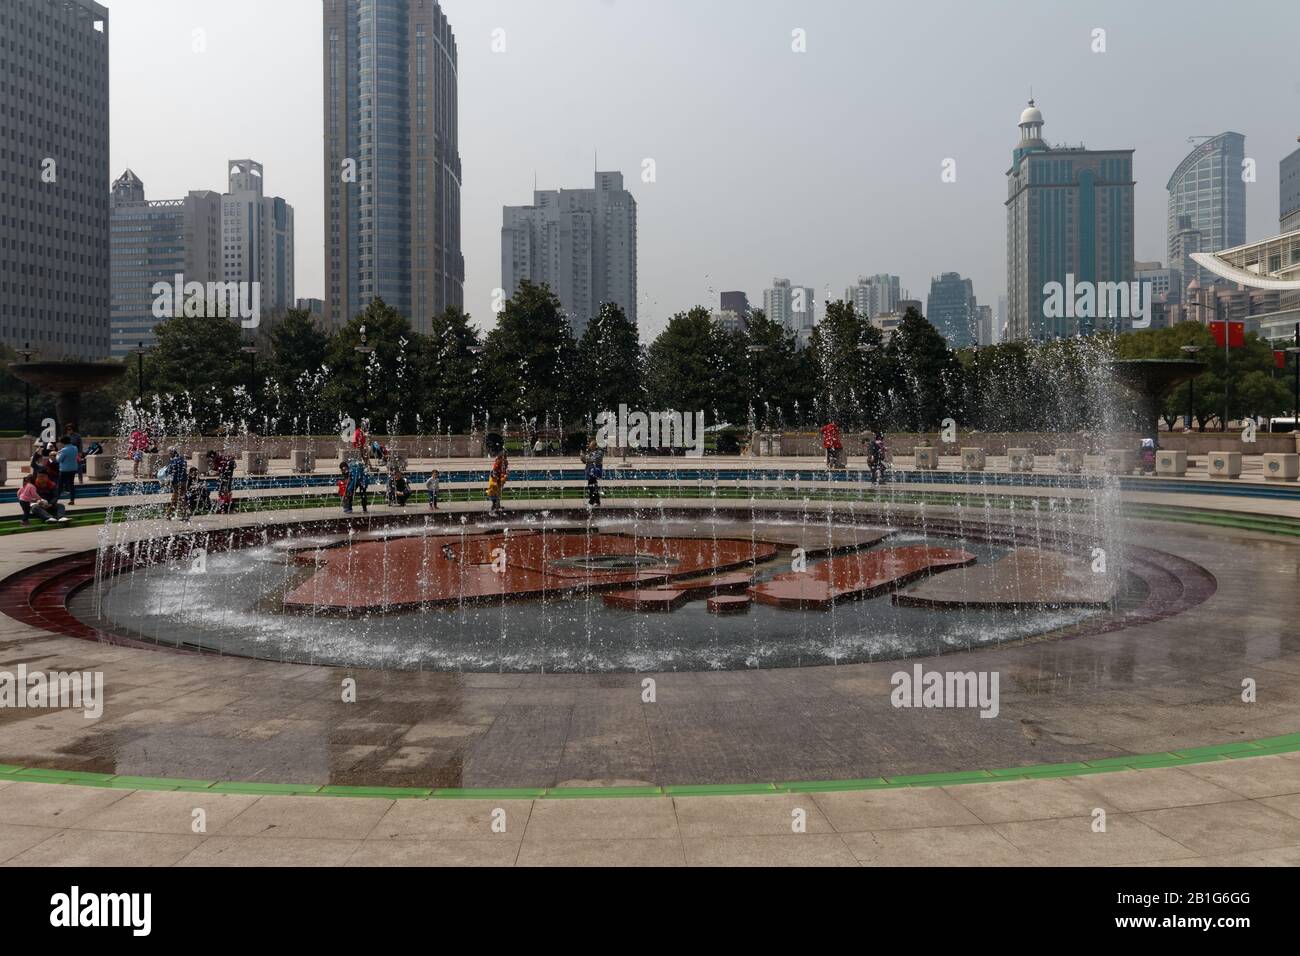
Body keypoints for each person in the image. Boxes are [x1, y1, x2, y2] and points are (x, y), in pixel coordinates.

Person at [55, 437, 80, 505]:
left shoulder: (64, 450)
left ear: (63, 443)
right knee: (71, 484)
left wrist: (57, 454)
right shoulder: (75, 448)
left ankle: (55, 500)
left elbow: (59, 460)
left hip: (64, 469)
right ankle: (72, 500)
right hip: (73, 468)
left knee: (60, 485)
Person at [580, 439, 605, 506]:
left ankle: (591, 501)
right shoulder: (591, 452)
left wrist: (587, 458)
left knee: (592, 486)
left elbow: (595, 459)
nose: (590, 448)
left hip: (595, 471)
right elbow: (584, 461)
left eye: (591, 446)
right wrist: (582, 454)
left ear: (595, 446)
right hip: (590, 471)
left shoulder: (599, 452)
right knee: (593, 486)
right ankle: (597, 501)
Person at [166, 448, 187, 519]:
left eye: (169, 453)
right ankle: (169, 514)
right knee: (179, 497)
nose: (169, 455)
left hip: (177, 482)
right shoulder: (182, 459)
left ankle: (185, 514)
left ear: (171, 453)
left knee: (177, 498)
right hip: (183, 481)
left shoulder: (173, 460)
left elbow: (170, 471)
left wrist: (167, 480)